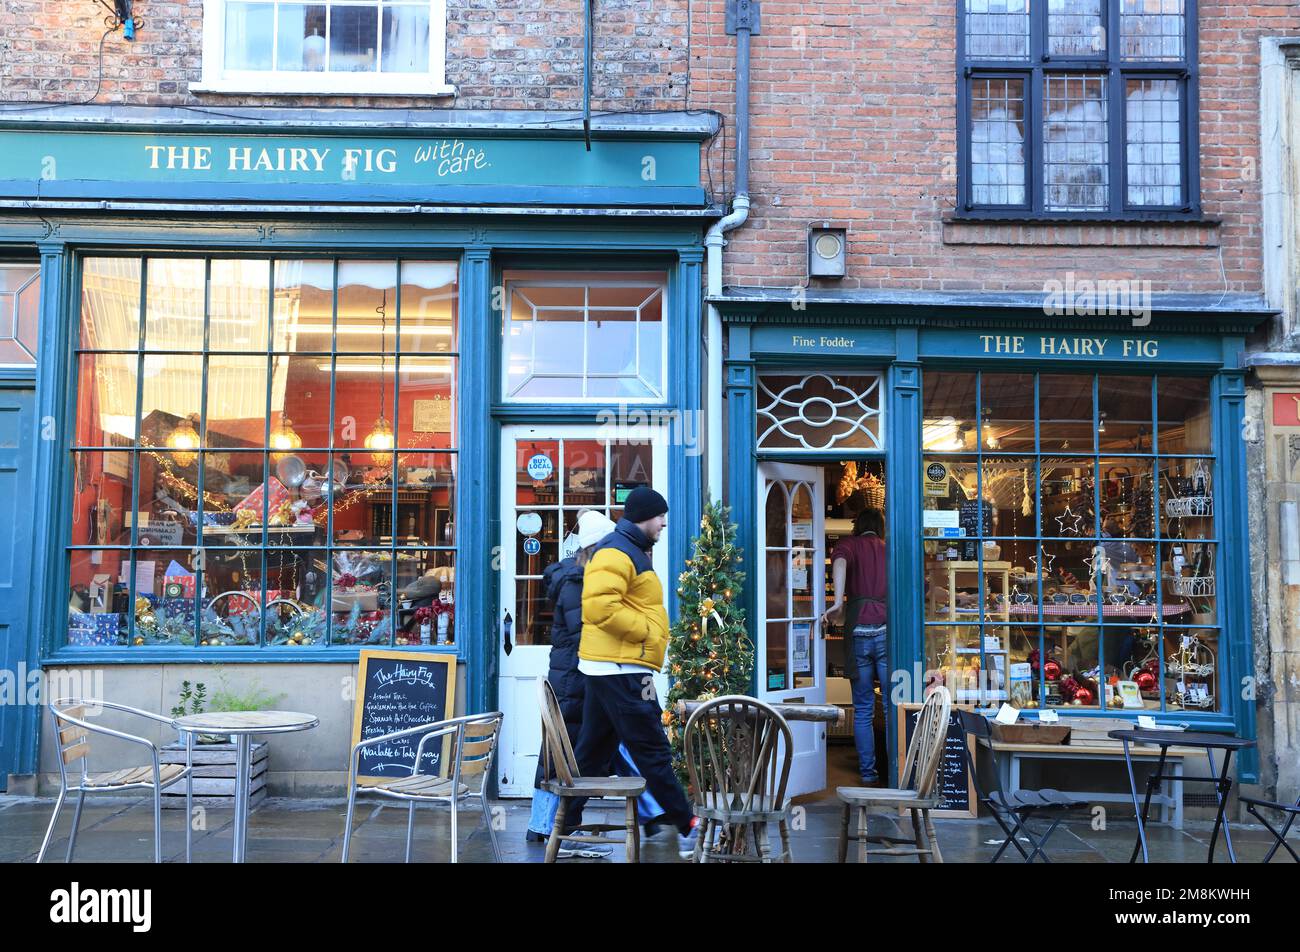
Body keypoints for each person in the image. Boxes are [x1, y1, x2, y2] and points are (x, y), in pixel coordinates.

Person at [565, 486, 700, 858]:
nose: (664, 523)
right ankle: (686, 824)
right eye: (660, 516)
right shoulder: (616, 551)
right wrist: (648, 632)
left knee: (592, 752)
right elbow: (600, 609)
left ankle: (565, 829)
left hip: (611, 667)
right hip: (621, 670)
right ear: (643, 516)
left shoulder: (626, 549)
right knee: (652, 747)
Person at [526, 510, 616, 852]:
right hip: (574, 679)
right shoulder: (578, 584)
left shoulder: (573, 580)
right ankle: (556, 827)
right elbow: (587, 635)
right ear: (595, 550)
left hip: (570, 677)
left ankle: (543, 824)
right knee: (567, 752)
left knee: (559, 752)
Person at [821, 508, 888, 785]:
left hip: (858, 629)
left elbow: (839, 562)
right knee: (893, 705)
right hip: (887, 630)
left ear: (858, 525)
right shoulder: (889, 548)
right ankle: (897, 769)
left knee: (862, 708)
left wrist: (837, 602)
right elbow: (917, 585)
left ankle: (869, 773)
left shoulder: (848, 544)